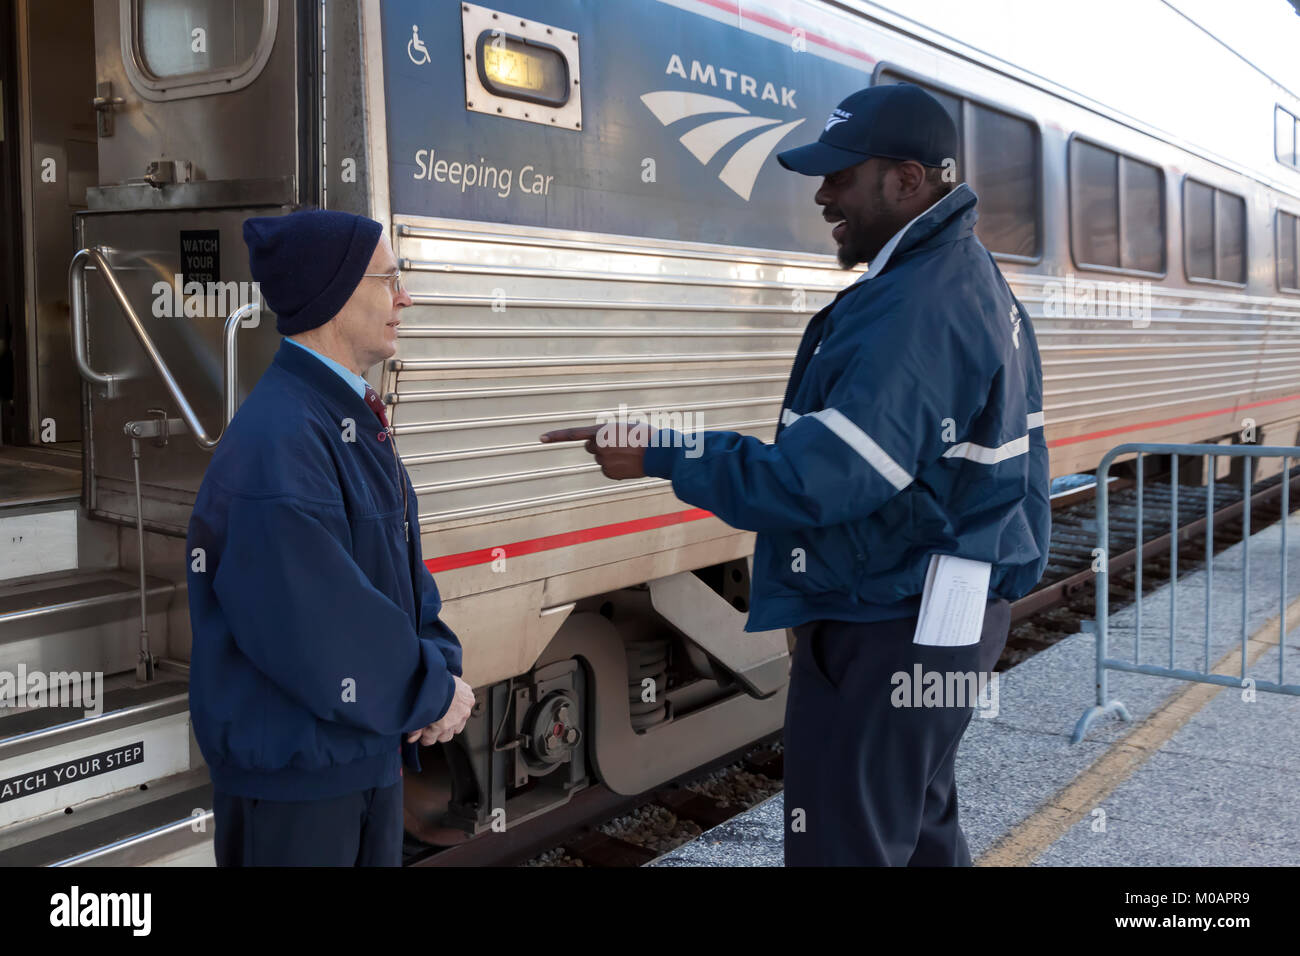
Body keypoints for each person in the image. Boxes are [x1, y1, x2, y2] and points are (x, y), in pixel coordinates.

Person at [540, 83, 1050, 866]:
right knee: (916, 833)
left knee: (846, 845)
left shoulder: (917, 305)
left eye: (841, 176)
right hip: (941, 614)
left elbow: (819, 480)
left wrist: (659, 452)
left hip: (888, 622)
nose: (822, 195)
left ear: (908, 180)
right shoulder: (965, 274)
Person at [187, 209, 475, 867]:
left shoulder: (337, 415)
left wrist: (438, 666)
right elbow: (319, 621)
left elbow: (398, 575)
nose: (406, 298)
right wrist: (430, 690)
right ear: (335, 294)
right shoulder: (282, 439)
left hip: (353, 757)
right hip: (301, 785)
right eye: (389, 280)